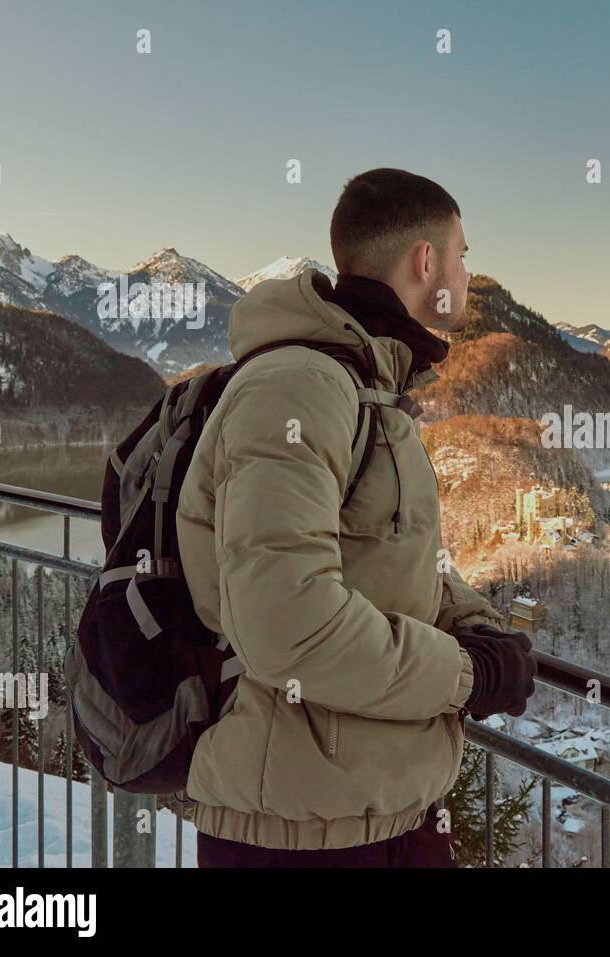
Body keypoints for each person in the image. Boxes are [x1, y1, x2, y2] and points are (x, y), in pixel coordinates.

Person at [175, 168, 537, 867]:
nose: (467, 271)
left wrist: (478, 625)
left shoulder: (363, 382)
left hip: (375, 808)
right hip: (299, 830)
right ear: (425, 261)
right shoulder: (302, 385)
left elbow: (384, 554)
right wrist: (465, 674)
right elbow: (287, 622)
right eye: (463, 253)